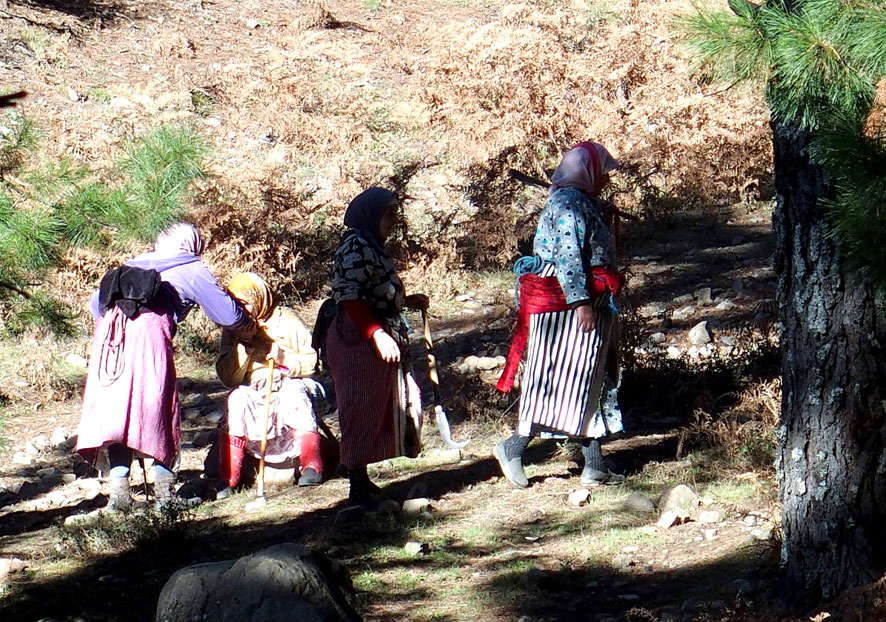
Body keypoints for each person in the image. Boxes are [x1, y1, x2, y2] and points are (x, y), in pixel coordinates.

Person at [77, 223, 255, 510]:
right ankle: (165, 497)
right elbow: (227, 315)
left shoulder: (131, 264)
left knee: (117, 414)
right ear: (192, 244)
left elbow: (96, 305)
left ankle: (120, 498)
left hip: (108, 341)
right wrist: (250, 326)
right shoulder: (191, 267)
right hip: (149, 340)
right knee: (157, 409)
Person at [495, 141, 627, 488]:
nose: (607, 181)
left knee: (591, 379)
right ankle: (513, 447)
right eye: (604, 174)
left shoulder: (579, 201)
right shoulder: (569, 204)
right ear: (590, 173)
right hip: (567, 308)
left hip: (584, 303)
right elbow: (569, 256)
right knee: (560, 384)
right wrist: (581, 302)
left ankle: (595, 464)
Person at [319, 187, 427, 509]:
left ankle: (362, 479)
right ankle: (356, 488)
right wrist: (377, 334)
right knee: (359, 406)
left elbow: (372, 289)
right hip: (356, 338)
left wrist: (405, 301)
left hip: (370, 332)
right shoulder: (355, 245)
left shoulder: (371, 245)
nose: (394, 221)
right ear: (372, 215)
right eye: (388, 214)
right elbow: (350, 295)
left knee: (376, 404)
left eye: (396, 214)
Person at [214, 272, 337, 494]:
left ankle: (311, 465)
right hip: (255, 389)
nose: (240, 310)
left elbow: (313, 361)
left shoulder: (285, 319)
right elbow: (227, 377)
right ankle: (229, 478)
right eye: (235, 305)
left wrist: (283, 360)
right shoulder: (233, 328)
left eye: (244, 304)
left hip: (293, 382)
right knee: (237, 399)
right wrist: (244, 344)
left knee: (292, 394)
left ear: (258, 299)